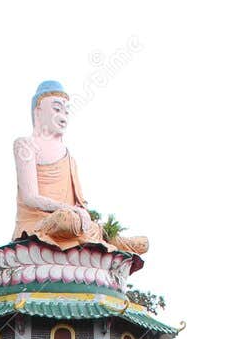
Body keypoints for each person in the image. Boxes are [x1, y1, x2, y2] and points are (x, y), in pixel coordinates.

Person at [13, 81, 148, 255]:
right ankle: (104, 239)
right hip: (40, 221)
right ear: (38, 112)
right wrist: (68, 209)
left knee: (83, 224)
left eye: (66, 111)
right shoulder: (26, 145)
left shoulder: (69, 157)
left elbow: (79, 203)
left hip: (73, 220)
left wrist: (79, 212)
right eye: (56, 109)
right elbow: (30, 197)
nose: (63, 116)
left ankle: (111, 239)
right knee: (67, 220)